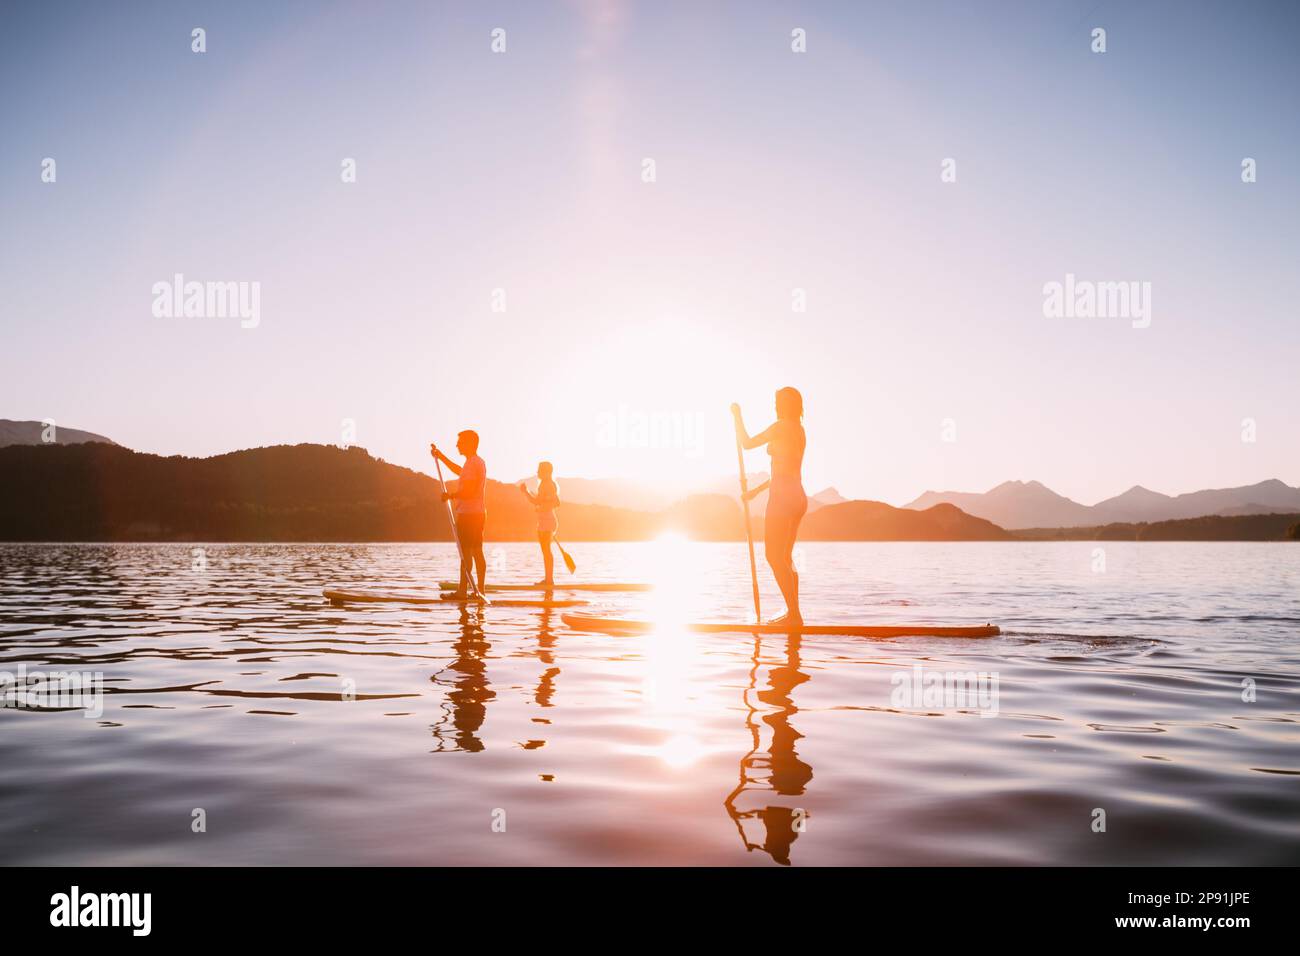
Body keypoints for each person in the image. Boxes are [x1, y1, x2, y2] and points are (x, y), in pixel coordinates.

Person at [732, 387, 806, 627]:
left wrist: (737, 416)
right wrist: (754, 492)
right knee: (784, 557)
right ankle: (793, 612)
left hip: (783, 500)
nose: (776, 405)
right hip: (798, 497)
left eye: (779, 402)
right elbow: (784, 471)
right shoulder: (799, 431)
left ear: (787, 405)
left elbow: (747, 443)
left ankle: (793, 615)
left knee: (774, 557)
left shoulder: (780, 427)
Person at [430, 430, 487, 599]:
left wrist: (450, 496)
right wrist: (441, 457)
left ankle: (463, 592)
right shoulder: (476, 462)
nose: (457, 445)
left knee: (466, 555)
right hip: (478, 513)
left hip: (469, 515)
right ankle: (480, 591)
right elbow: (460, 471)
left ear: (469, 443)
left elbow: (469, 491)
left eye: (460, 442)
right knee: (476, 552)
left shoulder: (472, 463)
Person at [517, 461, 561, 586]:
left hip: (547, 521)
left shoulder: (546, 485)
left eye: (540, 470)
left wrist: (525, 492)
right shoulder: (550, 484)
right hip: (545, 520)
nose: (537, 472)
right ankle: (548, 579)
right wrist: (543, 505)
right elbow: (554, 502)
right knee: (546, 551)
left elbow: (536, 501)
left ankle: (549, 580)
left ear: (547, 472)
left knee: (546, 551)